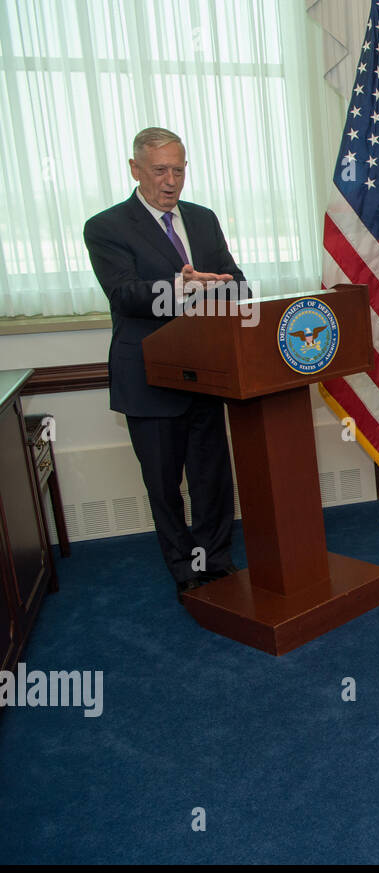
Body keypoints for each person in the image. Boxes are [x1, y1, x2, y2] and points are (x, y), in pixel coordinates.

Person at [83, 127, 244, 601]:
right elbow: (126, 294)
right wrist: (182, 288)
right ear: (136, 169)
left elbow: (237, 284)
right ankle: (185, 568)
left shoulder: (203, 218)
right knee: (164, 483)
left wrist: (217, 286)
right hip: (148, 376)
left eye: (179, 169)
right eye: (160, 170)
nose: (171, 181)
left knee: (211, 476)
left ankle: (216, 559)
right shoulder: (106, 226)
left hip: (207, 372)